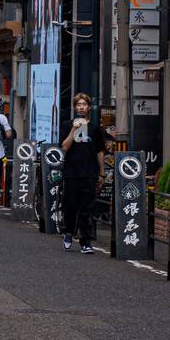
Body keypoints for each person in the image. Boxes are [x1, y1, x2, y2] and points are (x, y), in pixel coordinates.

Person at [60, 93, 107, 253]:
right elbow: (64, 147)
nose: (81, 107)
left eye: (84, 104)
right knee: (70, 205)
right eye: (78, 104)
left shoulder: (95, 128)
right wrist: (74, 128)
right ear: (75, 107)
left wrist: (102, 172)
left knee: (87, 208)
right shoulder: (67, 125)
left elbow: (100, 151)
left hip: (90, 171)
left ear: (89, 107)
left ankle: (85, 242)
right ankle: (68, 232)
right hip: (72, 171)